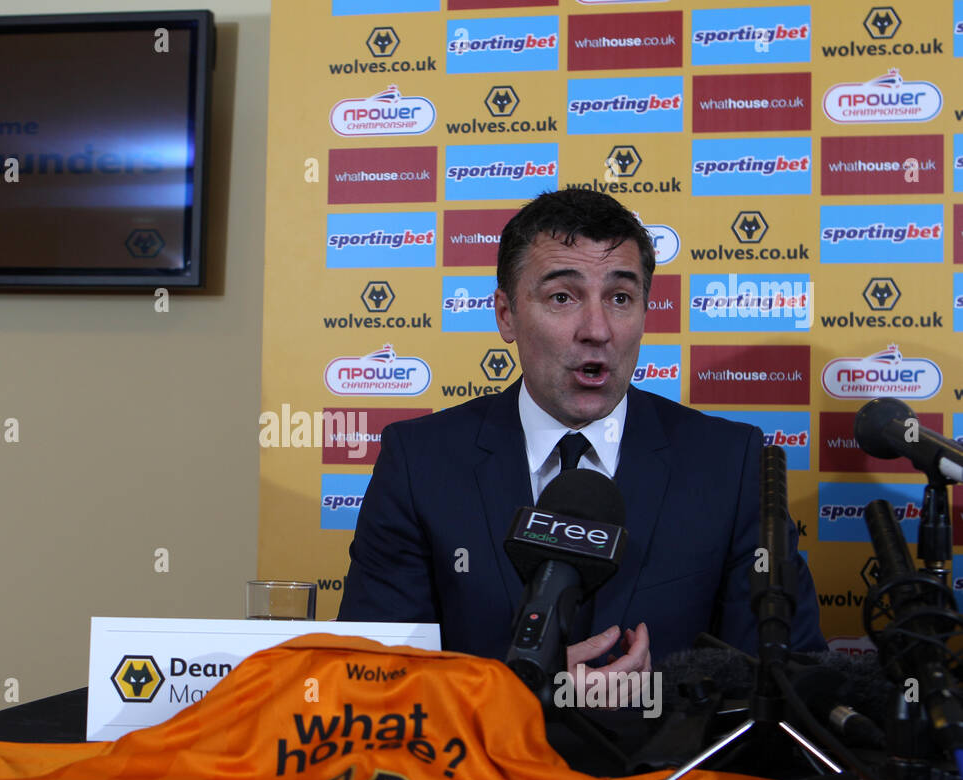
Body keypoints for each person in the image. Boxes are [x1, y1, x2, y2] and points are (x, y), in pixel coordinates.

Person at [338, 188, 824, 684]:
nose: (597, 329)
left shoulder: (731, 464)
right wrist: (527, 694)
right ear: (506, 315)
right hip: (484, 759)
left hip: (665, 759)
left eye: (620, 297)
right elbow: (371, 678)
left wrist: (663, 693)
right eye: (563, 297)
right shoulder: (421, 462)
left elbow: (790, 679)